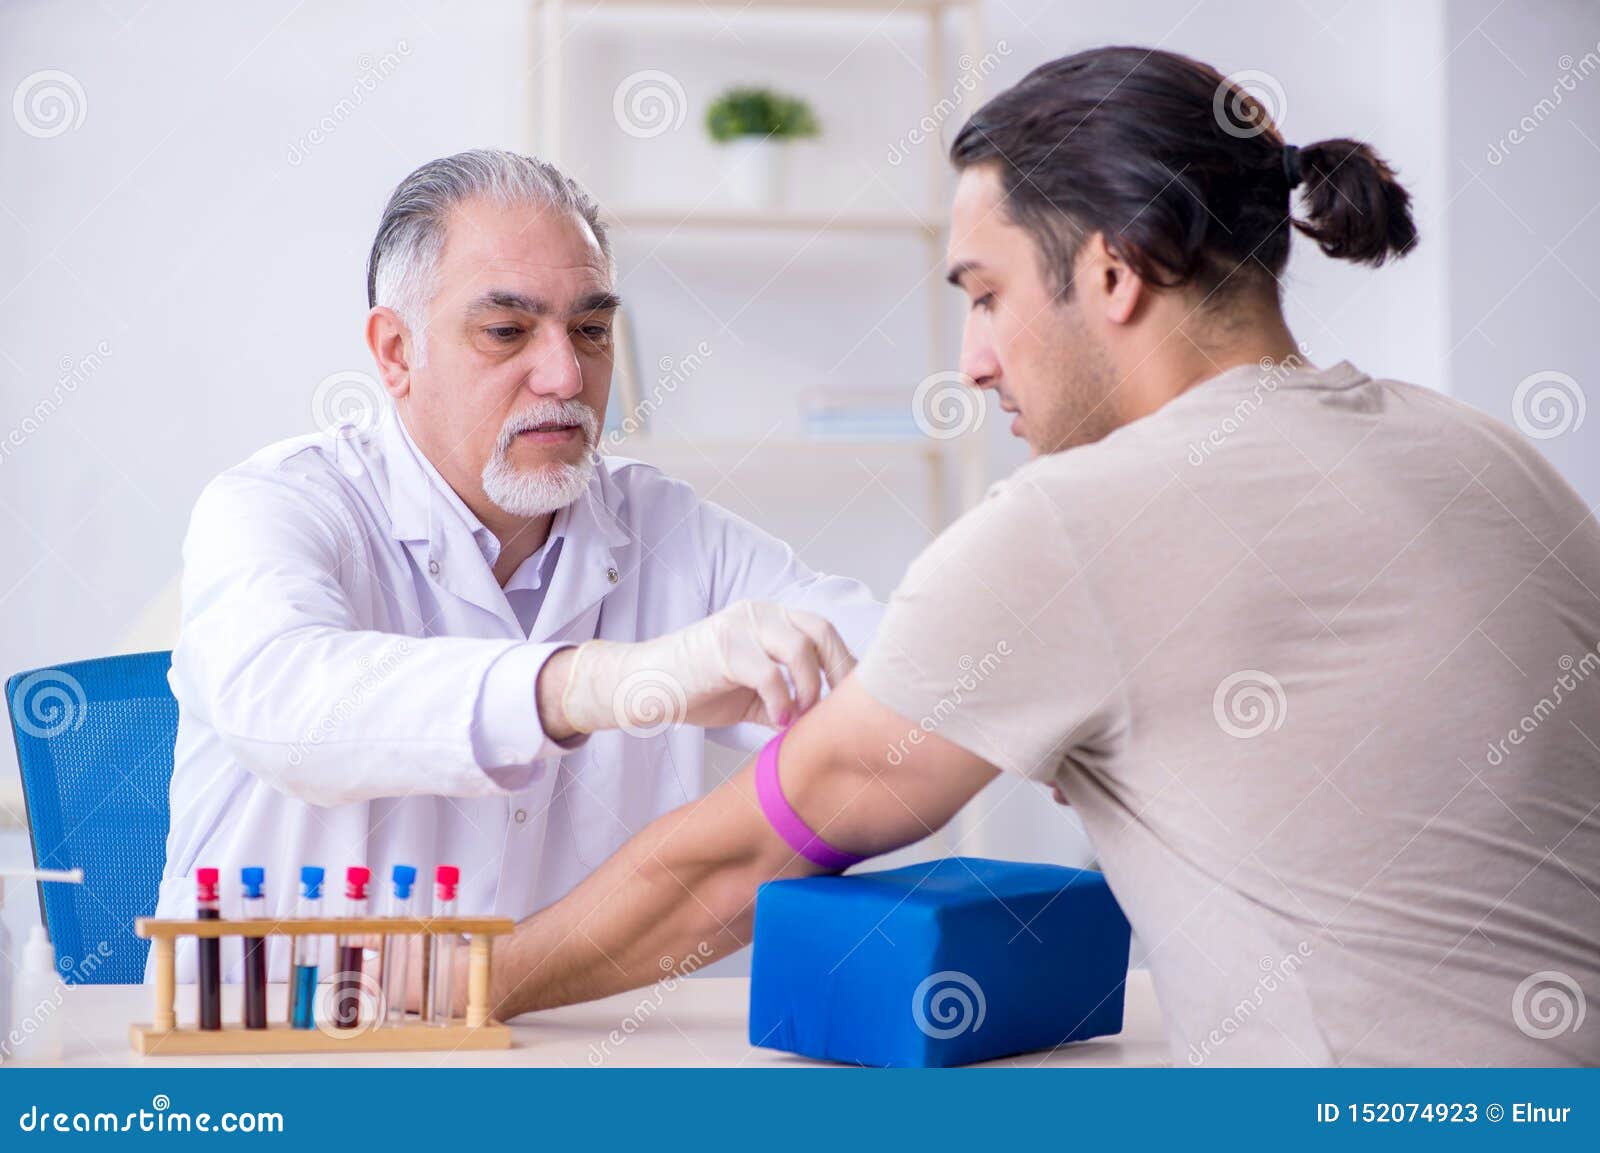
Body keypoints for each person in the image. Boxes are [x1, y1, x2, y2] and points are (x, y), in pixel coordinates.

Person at [481, 48, 1600, 1066]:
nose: (971, 361)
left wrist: (450, 989)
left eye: (986, 295)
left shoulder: (1075, 520)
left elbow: (718, 876)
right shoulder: (1487, 452)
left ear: (1115, 273)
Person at [152, 149, 879, 981]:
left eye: (592, 330)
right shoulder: (279, 505)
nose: (567, 375)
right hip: (282, 1057)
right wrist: (594, 683)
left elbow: (888, 675)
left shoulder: (667, 530)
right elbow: (285, 703)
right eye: (506, 332)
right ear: (395, 352)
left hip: (566, 1057)